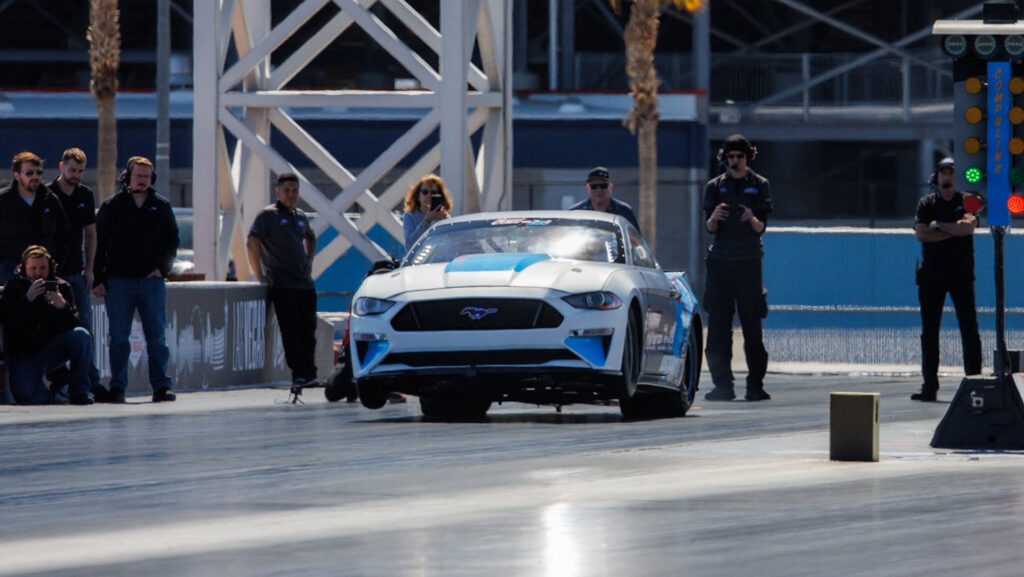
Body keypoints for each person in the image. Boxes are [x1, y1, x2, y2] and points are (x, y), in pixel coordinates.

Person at [93, 156, 179, 403]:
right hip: (118, 281)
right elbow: (99, 245)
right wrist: (99, 278)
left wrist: (162, 269)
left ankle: (161, 386)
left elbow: (171, 240)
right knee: (119, 337)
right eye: (138, 175)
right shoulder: (112, 206)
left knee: (157, 337)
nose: (142, 180)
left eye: (146, 176)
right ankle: (118, 387)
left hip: (151, 281)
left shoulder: (161, 206)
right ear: (127, 176)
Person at [701, 134, 773, 402]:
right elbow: (709, 228)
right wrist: (714, 218)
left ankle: (755, 384)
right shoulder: (714, 186)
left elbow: (761, 227)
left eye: (739, 157)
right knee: (719, 326)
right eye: (730, 157)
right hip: (720, 261)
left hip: (748, 262)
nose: (734, 161)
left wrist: (750, 217)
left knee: (752, 325)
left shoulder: (760, 184)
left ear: (747, 157)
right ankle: (723, 385)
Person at [911, 157, 982, 402]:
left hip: (960, 273)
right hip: (932, 274)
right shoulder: (927, 203)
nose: (947, 178)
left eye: (951, 173)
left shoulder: (967, 201)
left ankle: (974, 383)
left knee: (969, 328)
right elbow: (922, 234)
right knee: (929, 331)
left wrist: (940, 226)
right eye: (944, 174)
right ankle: (929, 386)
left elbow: (967, 228)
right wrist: (951, 231)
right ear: (937, 177)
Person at [247, 173, 320, 399]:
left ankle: (310, 374)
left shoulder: (300, 216)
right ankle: (298, 374)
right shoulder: (268, 215)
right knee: (291, 332)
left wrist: (309, 260)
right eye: (287, 190)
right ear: (277, 191)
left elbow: (311, 237)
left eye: (295, 190)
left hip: (304, 283)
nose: (291, 195)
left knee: (308, 331)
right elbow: (252, 242)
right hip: (282, 283)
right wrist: (259, 274)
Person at [2, 245, 94, 405]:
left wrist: (62, 306)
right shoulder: (13, 287)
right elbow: (10, 324)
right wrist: (27, 301)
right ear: (24, 268)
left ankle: (79, 391)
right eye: (33, 269)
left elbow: (75, 324)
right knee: (28, 397)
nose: (38, 273)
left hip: (52, 349)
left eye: (43, 268)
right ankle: (52, 393)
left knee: (82, 336)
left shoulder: (62, 287)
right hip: (26, 354)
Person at [47, 147, 104, 398]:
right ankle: (58, 378)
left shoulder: (85, 195)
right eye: (72, 170)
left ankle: (90, 381)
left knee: (85, 329)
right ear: (62, 167)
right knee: (53, 328)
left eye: (80, 171)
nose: (76, 175)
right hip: (51, 275)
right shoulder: (47, 194)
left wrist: (90, 268)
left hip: (76, 273)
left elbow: (91, 234)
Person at [0, 151, 70, 284]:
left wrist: (56, 261)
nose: (35, 177)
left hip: (45, 272)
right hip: (9, 271)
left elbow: (64, 234)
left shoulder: (50, 199)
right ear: (16, 175)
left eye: (39, 173)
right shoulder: (3, 201)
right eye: (29, 173)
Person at [570, 167, 640, 231]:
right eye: (594, 186)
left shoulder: (624, 211)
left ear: (611, 187)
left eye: (603, 186)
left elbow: (636, 240)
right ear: (588, 188)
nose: (599, 190)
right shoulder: (576, 212)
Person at [402, 174, 452, 252]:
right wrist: (427, 221)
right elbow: (410, 244)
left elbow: (452, 242)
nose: (429, 195)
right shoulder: (409, 216)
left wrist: (447, 222)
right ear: (418, 196)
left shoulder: (443, 216)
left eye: (433, 193)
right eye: (425, 192)